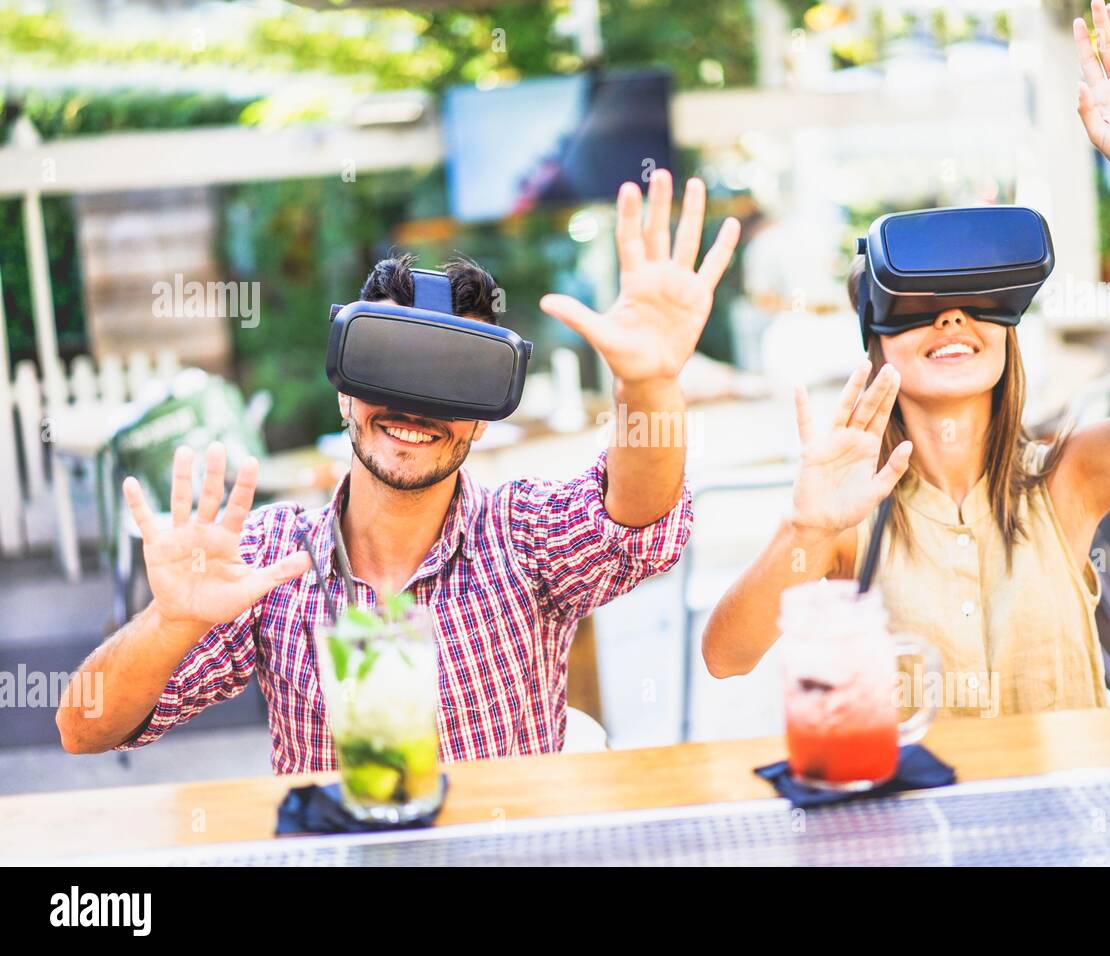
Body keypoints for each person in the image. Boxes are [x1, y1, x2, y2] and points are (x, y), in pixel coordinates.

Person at [57, 170, 740, 769]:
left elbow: (638, 522)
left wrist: (648, 385)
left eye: (453, 378)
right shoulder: (268, 563)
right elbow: (84, 730)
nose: (414, 406)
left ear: (480, 414)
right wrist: (170, 620)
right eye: (389, 364)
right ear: (345, 386)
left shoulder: (523, 536)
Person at [701, 2, 1110, 717]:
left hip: (1067, 818)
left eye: (977, 300)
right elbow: (726, 657)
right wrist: (805, 530)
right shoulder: (850, 521)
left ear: (1009, 330)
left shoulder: (1065, 486)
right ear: (876, 339)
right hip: (916, 826)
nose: (952, 318)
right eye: (918, 303)